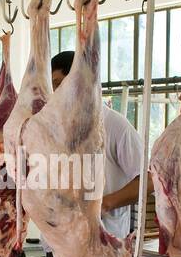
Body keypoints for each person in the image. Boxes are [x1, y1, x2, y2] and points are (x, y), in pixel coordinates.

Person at [49, 51, 144, 240]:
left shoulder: (115, 125)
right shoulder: (54, 126)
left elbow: (147, 179)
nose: (55, 93)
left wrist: (105, 204)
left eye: (59, 84)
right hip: (59, 242)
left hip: (104, 241)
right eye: (53, 86)